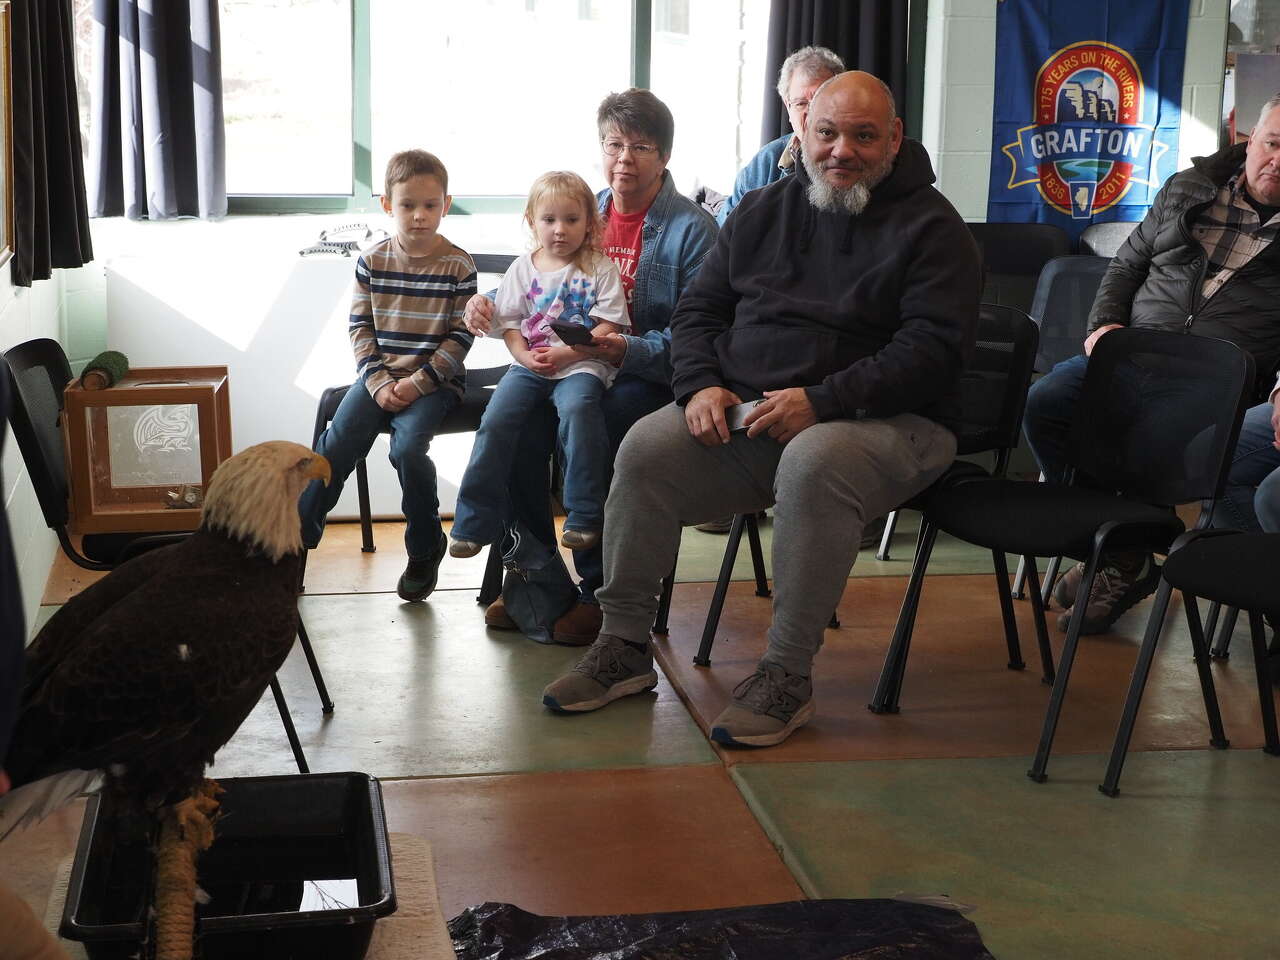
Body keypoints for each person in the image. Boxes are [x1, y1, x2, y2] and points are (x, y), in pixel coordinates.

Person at [541, 71, 979, 748]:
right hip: (758, 414)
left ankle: (785, 675)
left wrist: (825, 400)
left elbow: (931, 353)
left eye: (863, 136)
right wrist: (700, 385)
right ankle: (623, 645)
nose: (842, 150)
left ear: (894, 139)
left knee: (814, 460)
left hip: (894, 423)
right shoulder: (761, 210)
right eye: (827, 132)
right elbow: (699, 311)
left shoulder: (935, 230)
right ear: (803, 133)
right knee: (647, 447)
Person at [464, 89, 719, 645]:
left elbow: (700, 338)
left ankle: (599, 593)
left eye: (641, 147)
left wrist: (624, 350)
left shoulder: (693, 231)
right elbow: (538, 285)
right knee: (515, 426)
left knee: (599, 422)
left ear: (665, 156)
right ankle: (534, 579)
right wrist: (488, 303)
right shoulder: (583, 207)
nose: (624, 159)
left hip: (646, 376)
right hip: (570, 366)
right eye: (613, 144)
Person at [1023, 93, 1280, 634]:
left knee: (1156, 429)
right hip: (1137, 351)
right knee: (1048, 402)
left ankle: (1120, 552)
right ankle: (1123, 549)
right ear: (1248, 139)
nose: (1277, 162)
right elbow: (1126, 264)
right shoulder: (1189, 188)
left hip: (1222, 376)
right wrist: (1103, 325)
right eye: (1272, 144)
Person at [298, 149, 476, 601]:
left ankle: (425, 546)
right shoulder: (372, 261)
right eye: (407, 205)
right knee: (336, 445)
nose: (419, 215)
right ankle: (292, 540)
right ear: (387, 205)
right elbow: (360, 328)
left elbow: (460, 337)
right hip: (378, 379)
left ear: (446, 204)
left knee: (408, 449)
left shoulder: (459, 266)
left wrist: (417, 384)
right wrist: (378, 383)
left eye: (430, 205)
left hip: (435, 383)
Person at [450, 172, 628, 556]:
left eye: (571, 219)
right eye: (549, 220)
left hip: (582, 365)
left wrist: (568, 354)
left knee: (579, 411)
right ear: (532, 221)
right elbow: (510, 325)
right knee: (496, 420)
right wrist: (524, 356)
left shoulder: (600, 268)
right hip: (529, 365)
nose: (560, 229)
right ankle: (471, 523)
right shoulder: (522, 268)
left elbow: (609, 325)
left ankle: (584, 515)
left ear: (590, 223)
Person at [715, 45, 844, 226]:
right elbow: (723, 235)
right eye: (800, 103)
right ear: (787, 106)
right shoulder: (764, 165)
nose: (811, 113)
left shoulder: (854, 159)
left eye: (819, 100)